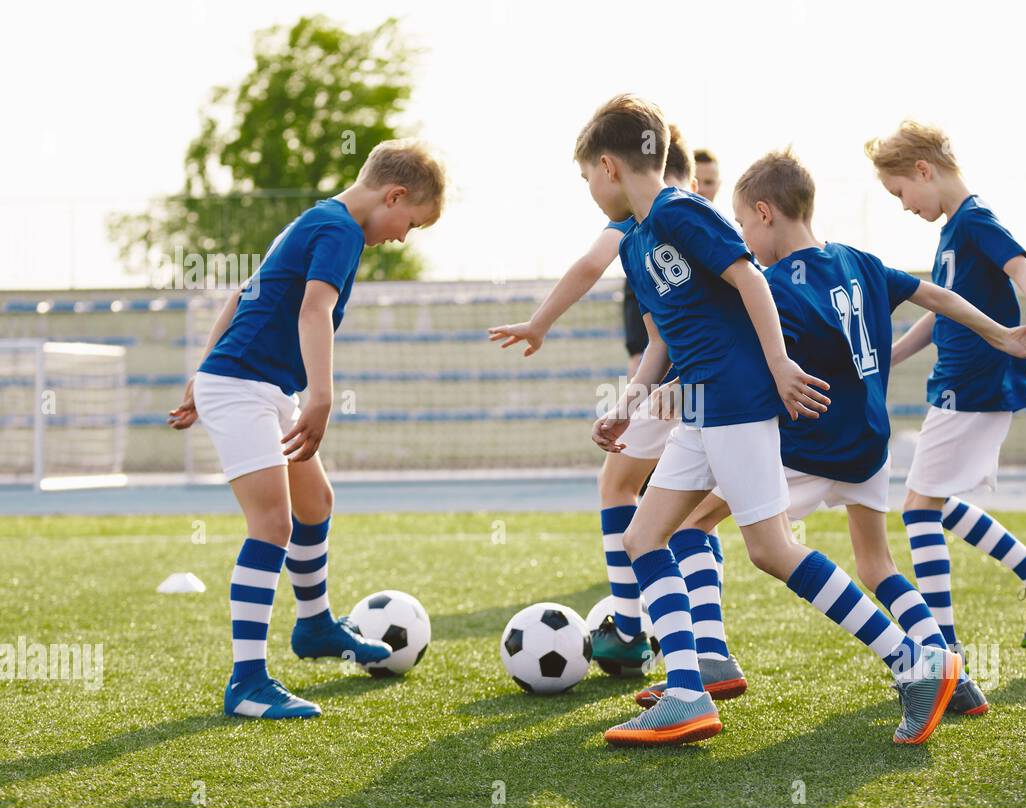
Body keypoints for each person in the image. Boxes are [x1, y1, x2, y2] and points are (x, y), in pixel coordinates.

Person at [578, 94, 963, 747]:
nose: (587, 188)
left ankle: (915, 664)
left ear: (610, 165)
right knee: (646, 537)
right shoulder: (645, 237)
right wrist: (632, 402)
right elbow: (671, 338)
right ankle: (685, 691)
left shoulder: (681, 212)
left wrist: (781, 365)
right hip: (703, 406)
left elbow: (750, 279)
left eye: (586, 175)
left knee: (772, 548)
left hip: (735, 403)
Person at [637, 150, 1026, 725]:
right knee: (877, 564)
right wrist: (1002, 333)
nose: (741, 237)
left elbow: (740, 353)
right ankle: (954, 673)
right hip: (869, 443)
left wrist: (672, 387)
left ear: (764, 214)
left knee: (689, 525)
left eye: (741, 223)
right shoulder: (858, 261)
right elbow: (937, 296)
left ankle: (708, 656)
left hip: (811, 444)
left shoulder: (775, 285)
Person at [168, 139, 445, 719]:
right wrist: (320, 397)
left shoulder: (318, 219)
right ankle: (246, 682)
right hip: (245, 385)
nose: (402, 236)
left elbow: (244, 293)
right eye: (410, 222)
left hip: (258, 385)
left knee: (315, 502)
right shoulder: (340, 230)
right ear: (393, 195)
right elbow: (312, 310)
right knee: (272, 523)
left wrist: (202, 369)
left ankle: (315, 626)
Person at [488, 126, 739, 694]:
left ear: (619, 167)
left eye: (589, 177)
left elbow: (588, 266)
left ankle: (630, 626)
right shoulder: (698, 215)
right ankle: (709, 648)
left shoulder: (643, 216)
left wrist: (540, 322)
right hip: (707, 380)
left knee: (625, 491)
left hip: (690, 380)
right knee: (695, 517)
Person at [865, 121, 1026, 663]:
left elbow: (1025, 270)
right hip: (956, 383)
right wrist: (883, 361)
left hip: (976, 384)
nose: (903, 205)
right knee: (937, 500)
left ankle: (943, 648)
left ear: (923, 170)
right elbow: (941, 317)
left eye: (900, 193)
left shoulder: (976, 219)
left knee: (917, 509)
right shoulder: (950, 232)